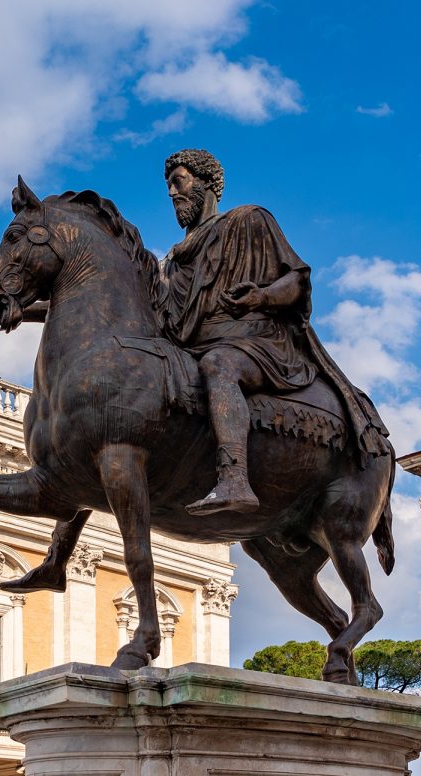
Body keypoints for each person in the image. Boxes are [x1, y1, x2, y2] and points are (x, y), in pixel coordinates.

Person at [153, 149, 388, 515]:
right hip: (190, 346)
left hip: (255, 343)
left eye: (178, 181)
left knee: (220, 366)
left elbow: (296, 281)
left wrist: (260, 296)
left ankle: (234, 478)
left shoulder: (249, 220)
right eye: (168, 185)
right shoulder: (171, 259)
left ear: (207, 184)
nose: (171, 192)